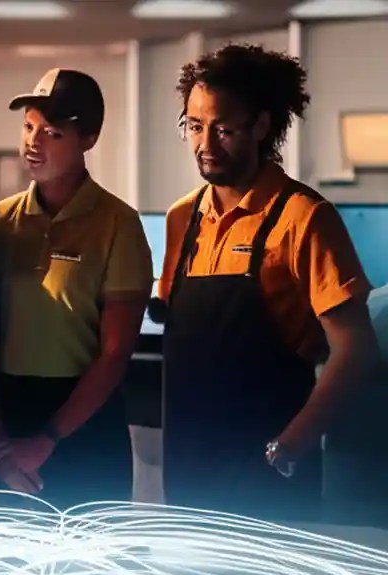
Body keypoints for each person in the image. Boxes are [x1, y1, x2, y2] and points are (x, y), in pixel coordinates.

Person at [156, 44, 375, 522]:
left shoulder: (304, 219)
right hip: (188, 469)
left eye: (223, 129)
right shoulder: (182, 218)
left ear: (261, 125)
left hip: (269, 475)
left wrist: (291, 445)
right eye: (194, 127)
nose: (205, 145)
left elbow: (356, 350)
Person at [0, 68, 152, 511]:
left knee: (91, 574)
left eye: (52, 133)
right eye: (29, 128)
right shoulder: (1, 221)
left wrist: (48, 439)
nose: (33, 143)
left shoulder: (118, 224)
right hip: (13, 416)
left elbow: (115, 355)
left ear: (88, 139)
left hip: (83, 425)